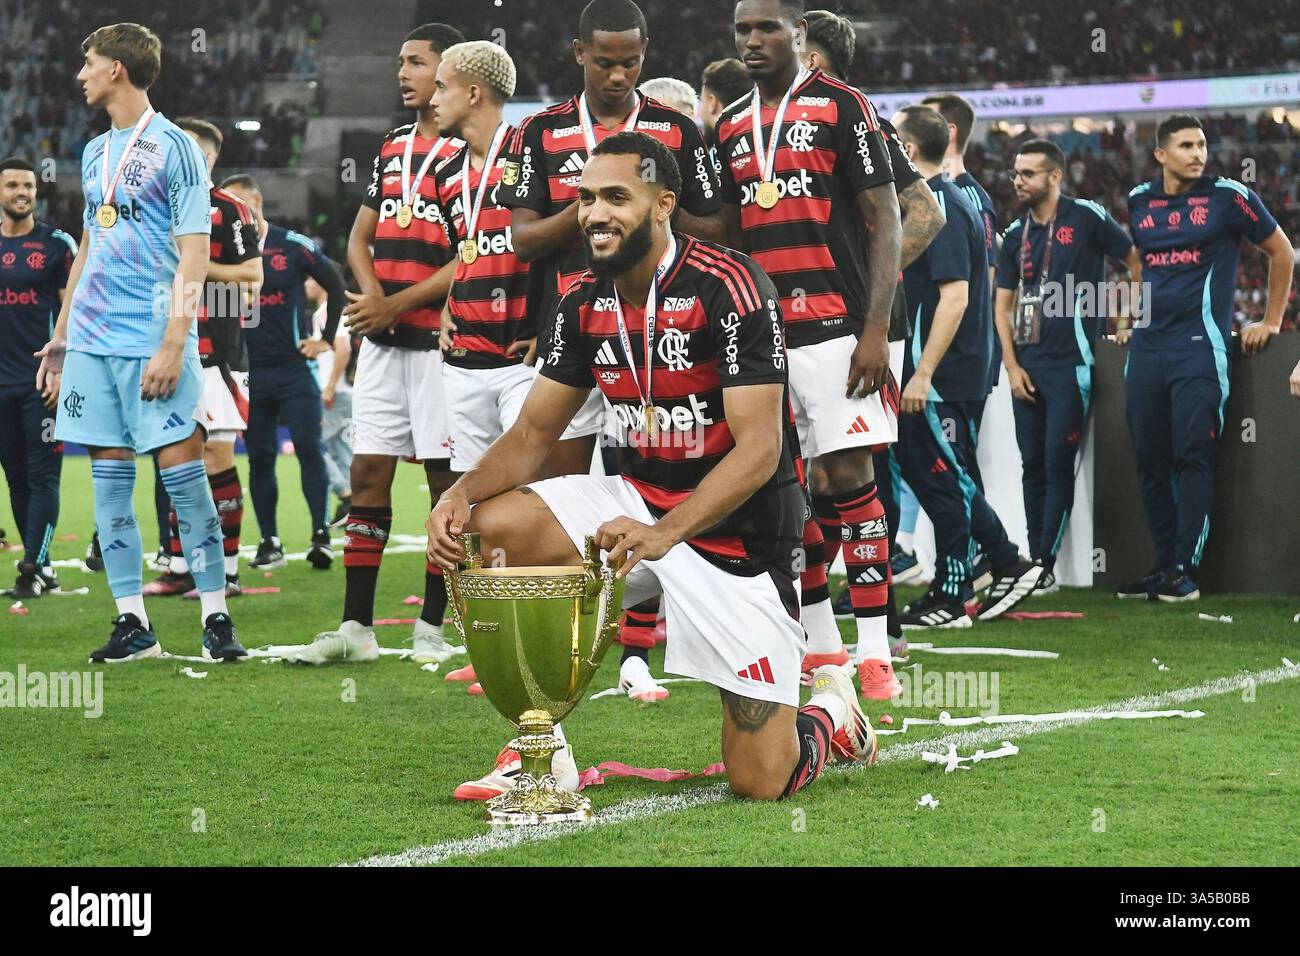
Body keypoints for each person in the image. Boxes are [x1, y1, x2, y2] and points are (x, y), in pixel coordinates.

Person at [429, 132, 876, 803]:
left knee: (760, 781)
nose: (594, 215)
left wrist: (669, 533)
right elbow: (532, 432)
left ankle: (834, 715)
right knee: (492, 528)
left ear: (664, 203)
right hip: (636, 508)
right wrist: (458, 496)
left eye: (616, 197)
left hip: (741, 538)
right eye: (584, 200)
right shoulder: (582, 300)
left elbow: (760, 451)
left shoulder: (729, 284)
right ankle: (541, 747)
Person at [499, 0, 724, 703]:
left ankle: (643, 651)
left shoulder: (677, 129)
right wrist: (593, 200)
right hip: (577, 336)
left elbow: (719, 225)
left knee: (655, 488)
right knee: (562, 501)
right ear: (578, 54)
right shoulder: (538, 131)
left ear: (647, 52)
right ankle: (558, 656)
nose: (620, 73)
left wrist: (648, 202)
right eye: (606, 61)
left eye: (632, 61)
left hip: (662, 336)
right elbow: (522, 238)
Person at [37, 22, 244, 662]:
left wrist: (175, 341)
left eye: (89, 63)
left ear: (117, 71)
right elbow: (90, 245)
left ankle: (216, 618)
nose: (81, 75)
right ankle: (133, 622)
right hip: (94, 340)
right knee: (107, 486)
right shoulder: (95, 151)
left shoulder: (176, 146)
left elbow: (194, 253)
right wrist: (62, 335)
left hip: (153, 335)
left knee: (185, 482)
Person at [718, 0, 903, 698]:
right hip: (764, 339)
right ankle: (822, 646)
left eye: (767, 27)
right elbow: (730, 235)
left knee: (847, 479)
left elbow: (884, 217)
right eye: (743, 30)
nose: (753, 40)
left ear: (799, 33)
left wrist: (877, 329)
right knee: (786, 492)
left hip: (834, 327)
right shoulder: (730, 124)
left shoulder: (842, 105)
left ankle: (877, 651)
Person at [292, 24, 467, 666]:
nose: (403, 73)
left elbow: (471, 258)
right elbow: (357, 238)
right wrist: (372, 299)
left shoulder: (472, 153)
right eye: (401, 61)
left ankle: (432, 628)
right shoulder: (394, 145)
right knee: (368, 472)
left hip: (444, 350)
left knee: (446, 487)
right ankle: (357, 628)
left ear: (452, 73)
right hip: (387, 348)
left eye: (416, 62)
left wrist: (395, 303)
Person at [802, 8, 945, 658]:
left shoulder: (857, 123)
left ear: (810, 56)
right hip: (812, 325)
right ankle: (825, 624)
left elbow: (925, 212)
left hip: (859, 326)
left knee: (856, 472)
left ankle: (879, 632)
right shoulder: (771, 131)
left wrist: (867, 290)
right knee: (821, 478)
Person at [1117, 114, 1293, 602]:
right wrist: (1129, 319)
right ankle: (1161, 565)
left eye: (1201, 144)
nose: (1198, 153)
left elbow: (1282, 252)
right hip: (1147, 351)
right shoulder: (1138, 201)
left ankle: (1184, 571)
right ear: (1160, 154)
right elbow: (1141, 268)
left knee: (1192, 457)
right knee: (1150, 461)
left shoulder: (1230, 196)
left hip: (1199, 348)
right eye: (1186, 145)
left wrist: (1272, 321)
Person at [892, 105, 1042, 627]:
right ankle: (985, 568)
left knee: (944, 474)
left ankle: (976, 577)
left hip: (946, 369)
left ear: (908, 150)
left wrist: (923, 371)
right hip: (956, 364)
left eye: (892, 139)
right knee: (932, 471)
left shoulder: (942, 206)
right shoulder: (949, 202)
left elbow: (954, 297)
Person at [995, 139, 1137, 587]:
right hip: (1026, 366)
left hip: (1072, 365)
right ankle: (1036, 563)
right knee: (1030, 465)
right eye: (1017, 173)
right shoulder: (1015, 235)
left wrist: (1129, 319)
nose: (1019, 181)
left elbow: (1135, 260)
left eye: (1029, 173)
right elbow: (1002, 308)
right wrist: (1012, 367)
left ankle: (1043, 564)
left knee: (1057, 464)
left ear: (1055, 176)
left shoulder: (1086, 217)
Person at [144, 117, 262, 598]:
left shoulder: (230, 210)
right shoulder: (151, 205)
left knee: (215, 457)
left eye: (183, 149)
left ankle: (227, 570)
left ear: (207, 157)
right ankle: (178, 566)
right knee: (177, 460)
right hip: (162, 348)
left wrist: (191, 260)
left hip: (219, 354)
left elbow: (251, 278)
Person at [220, 174, 346, 570]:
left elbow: (336, 282)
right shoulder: (222, 252)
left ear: (257, 201)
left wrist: (325, 337)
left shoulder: (292, 246)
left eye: (243, 204)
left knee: (310, 449)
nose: (237, 214)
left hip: (294, 371)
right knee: (260, 458)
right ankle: (269, 540)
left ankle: (320, 534)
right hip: (249, 374)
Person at [921, 92, 1002, 590]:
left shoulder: (964, 198)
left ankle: (980, 566)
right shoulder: (937, 194)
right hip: (941, 359)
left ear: (948, 131)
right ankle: (986, 562)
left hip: (957, 360)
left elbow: (975, 288)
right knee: (943, 468)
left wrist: (946, 359)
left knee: (954, 470)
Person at [0, 157, 75, 597]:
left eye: (28, 185)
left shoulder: (56, 244)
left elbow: (75, 311)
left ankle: (32, 565)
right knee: (16, 478)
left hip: (41, 383)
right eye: (12, 185)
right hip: (1, 386)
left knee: (43, 477)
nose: (22, 192)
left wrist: (64, 368)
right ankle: (40, 566)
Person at [304, 276, 353, 526]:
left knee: (313, 445)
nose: (306, 284)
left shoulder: (327, 312)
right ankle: (354, 509)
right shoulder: (329, 311)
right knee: (339, 450)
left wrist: (330, 386)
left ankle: (346, 494)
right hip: (341, 391)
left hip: (332, 392)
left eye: (310, 279)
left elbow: (343, 348)